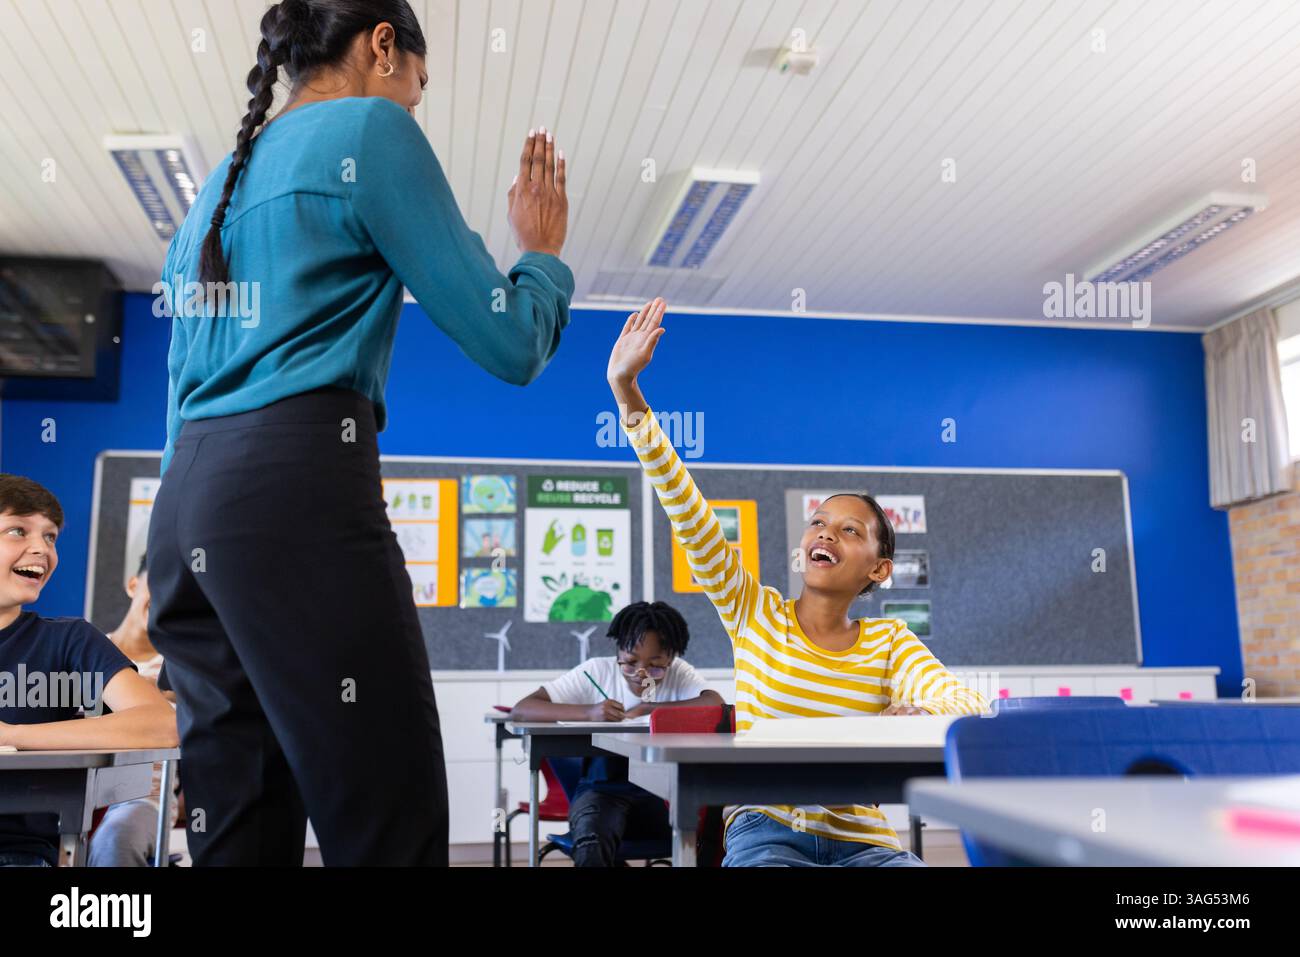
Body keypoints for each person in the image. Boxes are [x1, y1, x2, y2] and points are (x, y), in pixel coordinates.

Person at [147, 0, 571, 865]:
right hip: (293, 486)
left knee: (238, 829)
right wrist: (542, 254)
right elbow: (509, 341)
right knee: (388, 818)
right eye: (419, 84)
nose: (415, 104)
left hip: (185, 506)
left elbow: (182, 389)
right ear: (383, 46)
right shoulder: (372, 130)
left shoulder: (215, 190)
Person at [606, 299, 990, 867]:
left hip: (866, 843)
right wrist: (629, 396)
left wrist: (918, 715)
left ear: (879, 570)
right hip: (766, 831)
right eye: (818, 522)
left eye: (849, 529)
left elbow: (970, 704)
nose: (826, 532)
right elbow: (689, 513)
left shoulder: (891, 645)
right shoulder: (751, 611)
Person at [0, 475, 177, 867]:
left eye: (50, 537)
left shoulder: (70, 641)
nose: (41, 549)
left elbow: (160, 724)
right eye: (18, 530)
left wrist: (11, 736)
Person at [511, 601, 723, 866]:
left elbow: (715, 704)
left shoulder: (679, 674)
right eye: (630, 663)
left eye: (656, 666)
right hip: (603, 790)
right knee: (592, 841)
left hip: (660, 793)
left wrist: (651, 707)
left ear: (671, 657)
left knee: (710, 827)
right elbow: (522, 710)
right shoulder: (596, 671)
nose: (640, 674)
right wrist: (589, 712)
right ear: (618, 651)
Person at [88, 554, 181, 867]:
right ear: (132, 584)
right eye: (160, 584)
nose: (169, 597)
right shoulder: (82, 650)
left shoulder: (182, 674)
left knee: (116, 836)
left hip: (142, 799)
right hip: (73, 789)